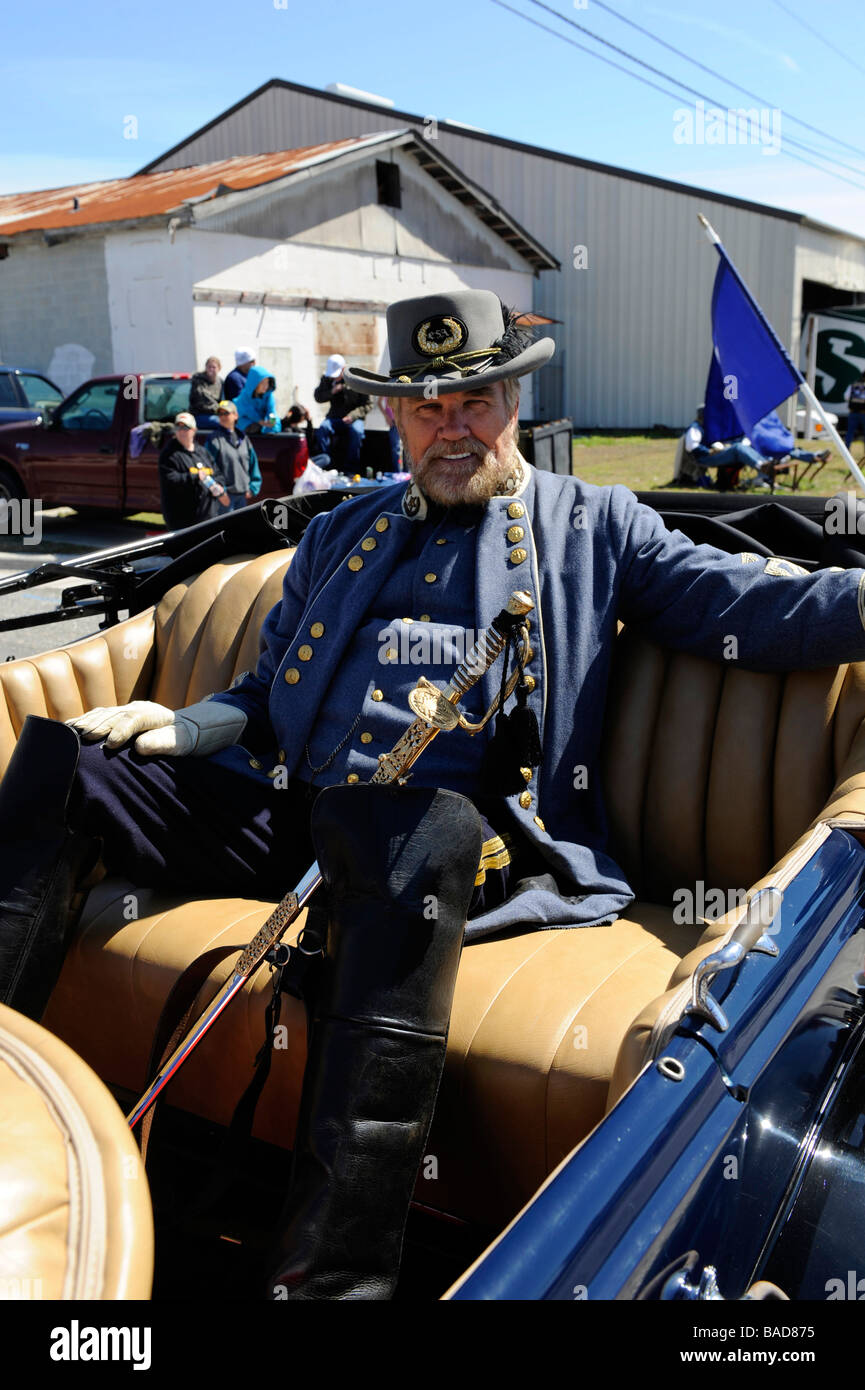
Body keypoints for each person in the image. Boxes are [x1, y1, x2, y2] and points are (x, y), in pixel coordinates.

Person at [6, 289, 865, 1301]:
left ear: (511, 401)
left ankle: (332, 1282)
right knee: (66, 760)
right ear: (393, 418)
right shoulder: (345, 528)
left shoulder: (593, 524)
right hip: (296, 812)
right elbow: (267, 678)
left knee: (403, 834)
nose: (450, 426)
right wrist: (194, 725)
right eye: (425, 407)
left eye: (473, 400)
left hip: (467, 847)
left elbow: (749, 607)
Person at [157, 411, 230, 530]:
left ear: (194, 430)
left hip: (208, 518)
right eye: (178, 427)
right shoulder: (169, 454)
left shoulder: (202, 452)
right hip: (182, 521)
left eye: (185, 428)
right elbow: (170, 479)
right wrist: (195, 476)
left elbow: (217, 474)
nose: (181, 431)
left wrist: (219, 485)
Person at [680, 405, 774, 490]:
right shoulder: (696, 428)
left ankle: (765, 468)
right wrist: (709, 451)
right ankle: (762, 467)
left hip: (716, 453)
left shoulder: (711, 427)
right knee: (737, 448)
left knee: (747, 445)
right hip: (704, 458)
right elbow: (691, 447)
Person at [313, 353, 372, 468]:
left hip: (354, 418)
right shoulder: (327, 379)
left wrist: (352, 416)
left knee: (357, 432)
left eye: (337, 375)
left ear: (344, 369)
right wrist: (331, 392)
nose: (334, 378)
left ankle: (351, 468)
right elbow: (318, 397)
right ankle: (326, 464)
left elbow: (368, 404)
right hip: (335, 417)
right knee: (323, 428)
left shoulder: (357, 379)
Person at [205, 399, 262, 510]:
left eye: (226, 413)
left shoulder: (244, 439)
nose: (223, 416)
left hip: (242, 497)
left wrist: (252, 488)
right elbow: (207, 469)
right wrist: (220, 492)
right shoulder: (213, 439)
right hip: (224, 498)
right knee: (224, 527)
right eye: (220, 414)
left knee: (240, 527)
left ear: (236, 415)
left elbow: (253, 464)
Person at [751, 410, 830, 469]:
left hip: (776, 447)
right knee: (790, 451)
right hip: (764, 449)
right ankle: (815, 456)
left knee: (790, 451)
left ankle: (815, 456)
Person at [233, 365, 282, 435]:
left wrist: (272, 421)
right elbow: (248, 411)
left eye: (267, 382)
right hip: (248, 421)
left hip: (264, 421)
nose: (266, 386)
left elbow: (271, 410)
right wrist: (261, 421)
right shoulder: (244, 396)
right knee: (249, 426)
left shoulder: (268, 395)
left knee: (275, 424)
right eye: (263, 383)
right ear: (254, 383)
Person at [189, 357, 223, 429]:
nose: (211, 369)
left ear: (219, 368)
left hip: (216, 414)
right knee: (222, 422)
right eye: (209, 367)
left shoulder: (220, 382)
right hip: (199, 414)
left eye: (214, 367)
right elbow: (204, 399)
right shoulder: (198, 380)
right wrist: (218, 410)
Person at [844, 370, 865, 450]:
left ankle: (846, 450)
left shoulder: (853, 385)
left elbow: (846, 397)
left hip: (853, 412)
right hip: (863, 413)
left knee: (850, 432)